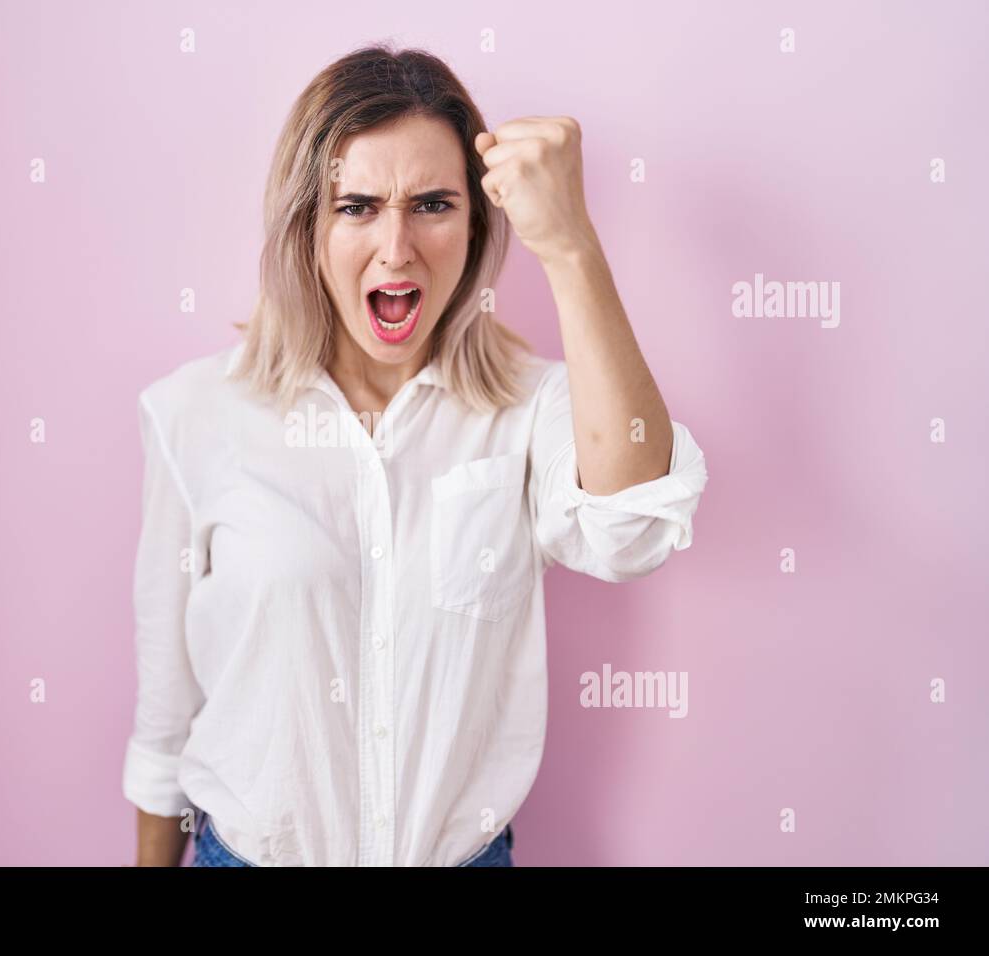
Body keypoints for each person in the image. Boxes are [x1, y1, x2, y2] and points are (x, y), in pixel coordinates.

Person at [124, 43, 709, 867]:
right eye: (357, 206)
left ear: (475, 227)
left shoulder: (530, 409)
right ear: (308, 228)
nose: (396, 249)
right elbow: (166, 710)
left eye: (432, 204)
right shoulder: (195, 413)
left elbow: (633, 530)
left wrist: (571, 243)